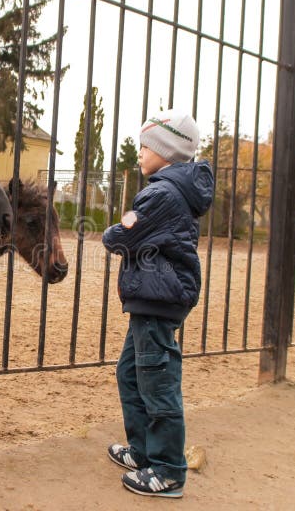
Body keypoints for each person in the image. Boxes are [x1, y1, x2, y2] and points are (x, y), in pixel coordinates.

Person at [102, 109, 214, 498]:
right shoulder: (166, 190)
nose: (140, 152)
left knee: (157, 382)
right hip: (150, 299)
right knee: (131, 374)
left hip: (157, 299)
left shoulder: (162, 193)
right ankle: (143, 451)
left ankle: (167, 470)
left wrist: (121, 224)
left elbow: (120, 237)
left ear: (166, 150)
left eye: (146, 145)